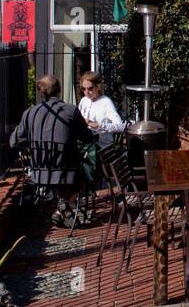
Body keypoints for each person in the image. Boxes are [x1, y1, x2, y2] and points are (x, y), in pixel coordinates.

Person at [11, 74, 94, 228]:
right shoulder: (71, 111)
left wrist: (33, 145)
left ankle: (58, 210)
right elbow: (87, 137)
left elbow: (14, 141)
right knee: (86, 174)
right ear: (59, 90)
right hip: (67, 170)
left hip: (38, 170)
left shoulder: (30, 113)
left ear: (41, 93)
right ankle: (64, 203)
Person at [77, 70, 125, 147]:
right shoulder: (84, 100)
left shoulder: (106, 102)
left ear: (98, 86)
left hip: (102, 147)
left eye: (90, 88)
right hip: (86, 144)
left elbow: (120, 126)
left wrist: (99, 125)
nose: (87, 92)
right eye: (83, 89)